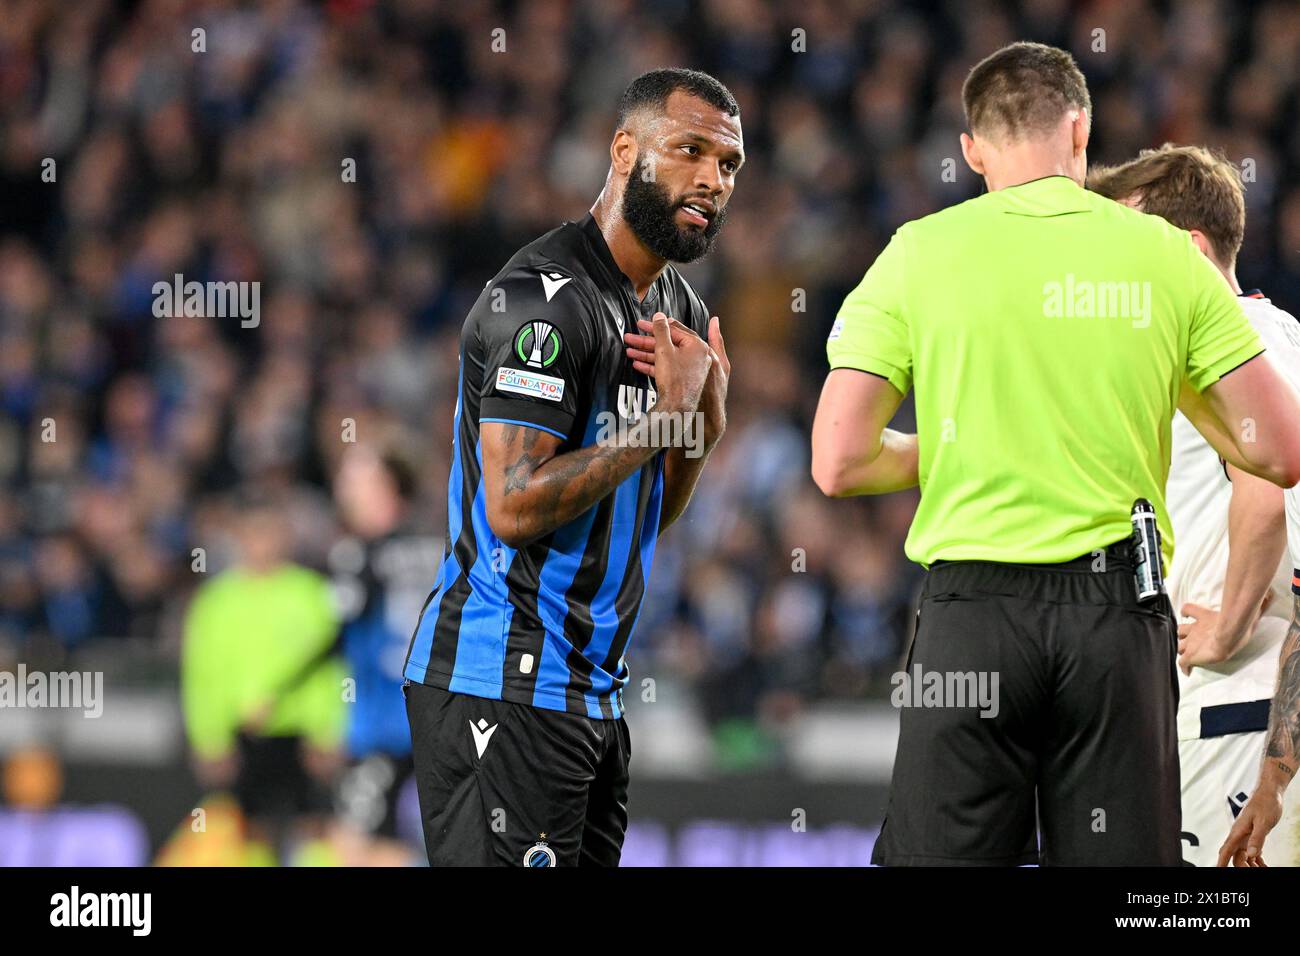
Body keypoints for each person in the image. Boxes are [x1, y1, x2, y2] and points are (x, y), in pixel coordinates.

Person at [811, 41, 1300, 866]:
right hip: (1116, 621)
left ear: (971, 149)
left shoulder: (919, 250)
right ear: (1082, 130)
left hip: (970, 618)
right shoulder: (1159, 254)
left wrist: (968, 446)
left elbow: (838, 462)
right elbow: (1279, 453)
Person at [402, 68, 741, 866]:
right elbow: (512, 508)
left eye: (729, 164)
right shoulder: (545, 301)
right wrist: (667, 418)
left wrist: (704, 427)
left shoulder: (677, 309)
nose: (712, 179)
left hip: (590, 692)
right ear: (625, 151)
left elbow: (645, 515)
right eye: (689, 149)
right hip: (501, 679)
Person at [1088, 144, 1300, 867]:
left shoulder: (1234, 345)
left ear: (1189, 248)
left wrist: (1229, 624)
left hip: (1236, 697)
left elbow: (1268, 489)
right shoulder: (1279, 335)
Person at [181, 494, 346, 863]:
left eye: (270, 533)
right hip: (243, 736)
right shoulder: (215, 602)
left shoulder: (312, 594)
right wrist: (210, 739)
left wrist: (328, 730)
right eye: (253, 534)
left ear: (285, 537)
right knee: (247, 830)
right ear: (238, 537)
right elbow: (201, 676)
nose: (261, 543)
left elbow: (331, 668)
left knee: (315, 827)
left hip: (300, 734)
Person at [329, 444, 433, 864]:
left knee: (350, 843)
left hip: (380, 726)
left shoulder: (358, 555)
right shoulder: (437, 546)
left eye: (355, 478)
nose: (343, 488)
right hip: (431, 721)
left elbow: (333, 642)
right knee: (388, 842)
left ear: (385, 488)